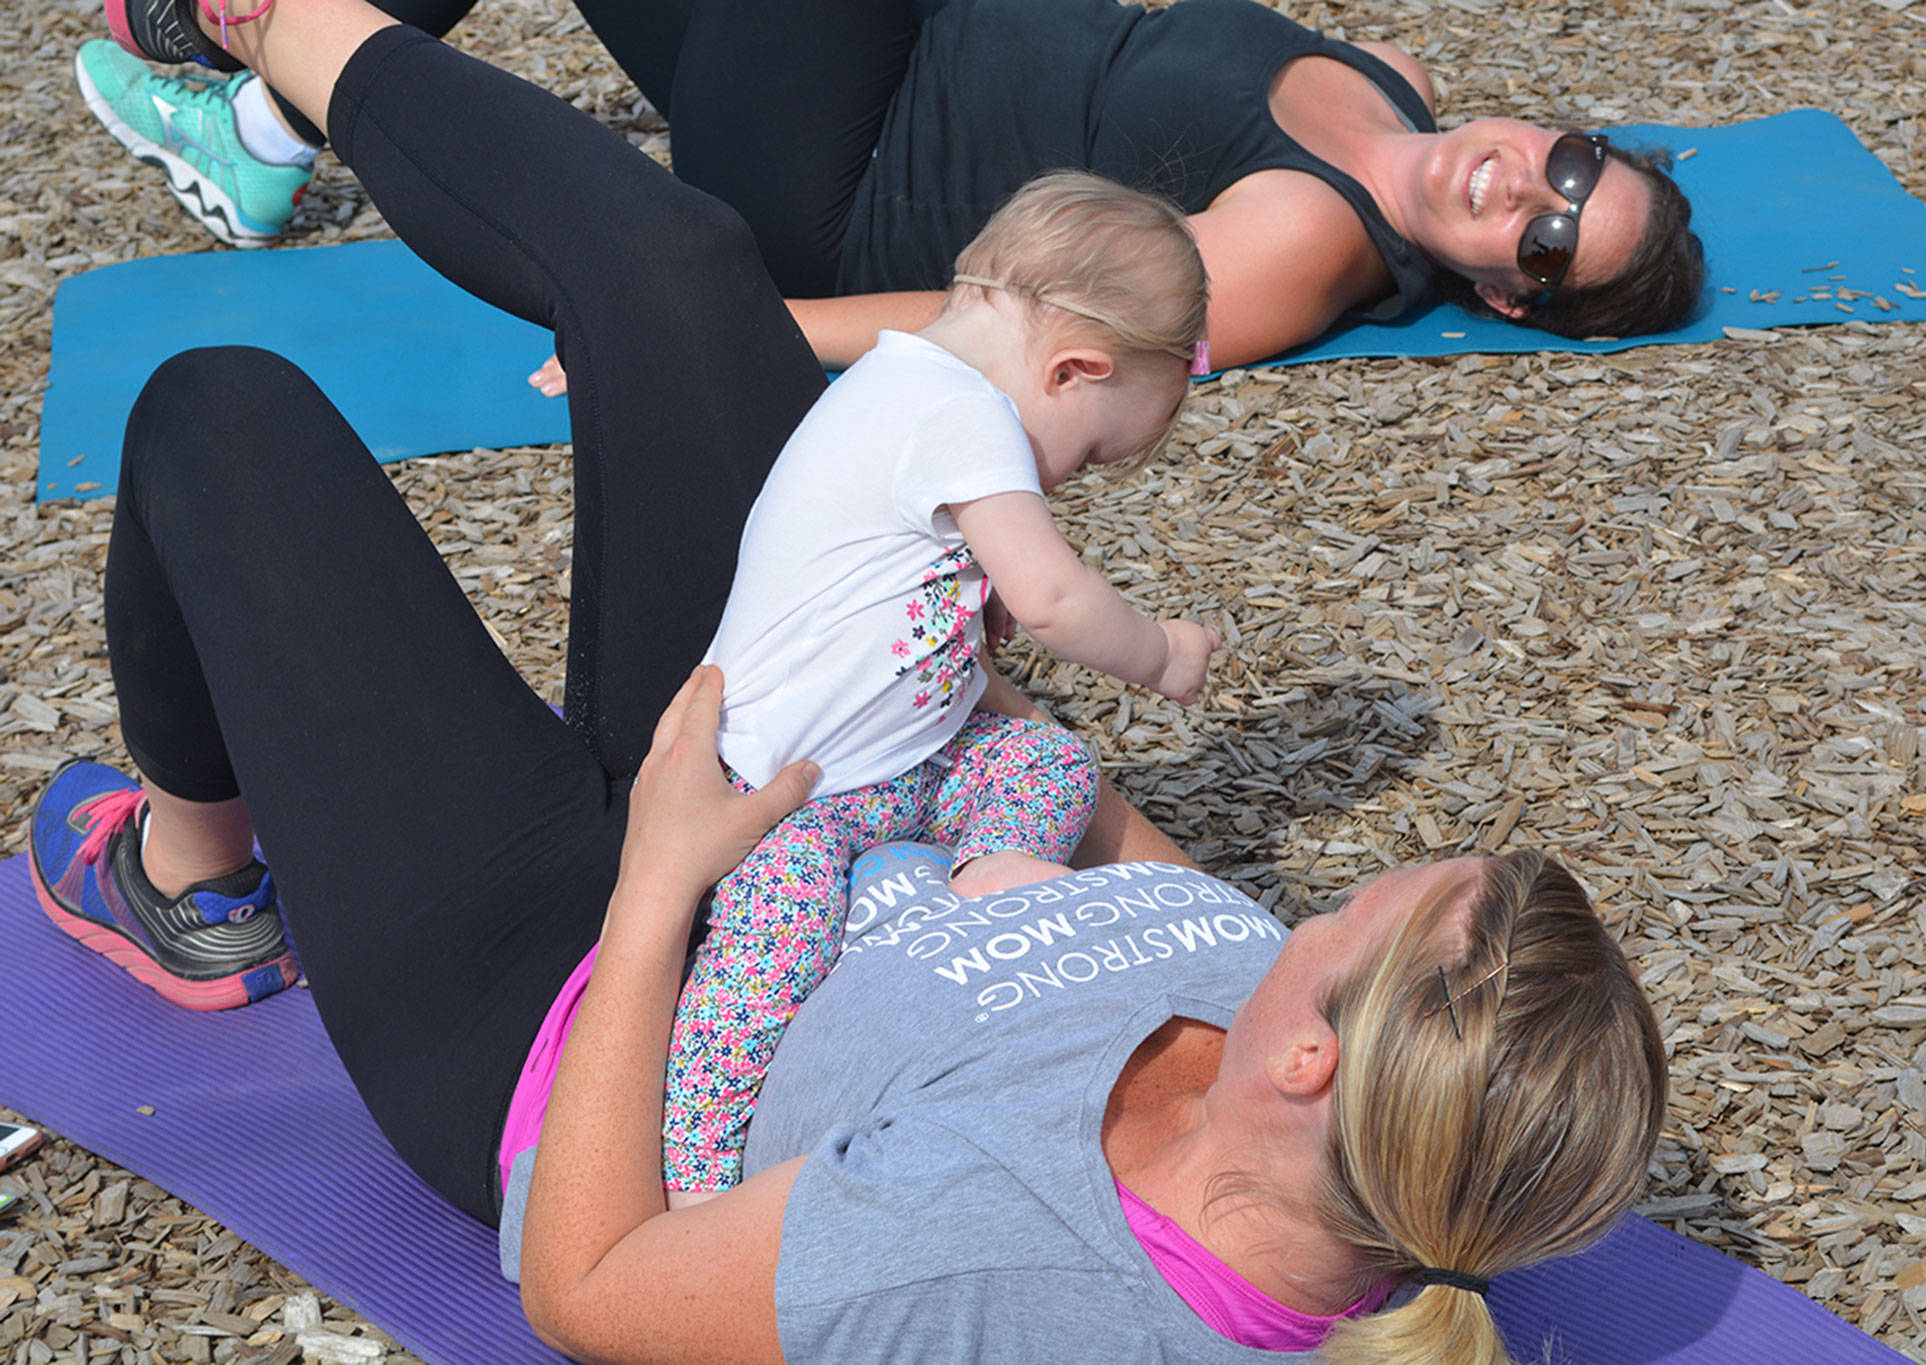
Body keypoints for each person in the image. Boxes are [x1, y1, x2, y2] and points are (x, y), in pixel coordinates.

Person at [33, 4, 1667, 1359]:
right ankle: (291, 27)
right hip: (804, 784)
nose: (1311, 910)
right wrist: (943, 667)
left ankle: (187, 886)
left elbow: (589, 1292)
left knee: (221, 417)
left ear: (1311, 1056)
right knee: (680, 270)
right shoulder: (1298, 1042)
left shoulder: (1008, 1244)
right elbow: (1098, 835)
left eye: (1356, 911)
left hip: (562, 995)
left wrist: (657, 884)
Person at [79, 0, 1703, 363]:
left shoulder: (1308, 241)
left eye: (1545, 243)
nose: (1523, 194)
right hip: (873, 50)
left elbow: (1044, 325)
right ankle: (266, 124)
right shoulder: (1392, 84)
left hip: (837, 174)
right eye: (1568, 169)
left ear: (1503, 295)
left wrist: (730, 330)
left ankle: (249, 69)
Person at [661, 170, 1219, 1192]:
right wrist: (1162, 655)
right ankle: (696, 1170)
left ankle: (988, 874)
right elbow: (1055, 598)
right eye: (1091, 453)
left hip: (902, 766)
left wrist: (970, 595)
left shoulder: (912, 382)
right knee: (766, 957)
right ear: (1073, 369)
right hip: (780, 795)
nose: (1063, 481)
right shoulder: (960, 414)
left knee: (1045, 761)